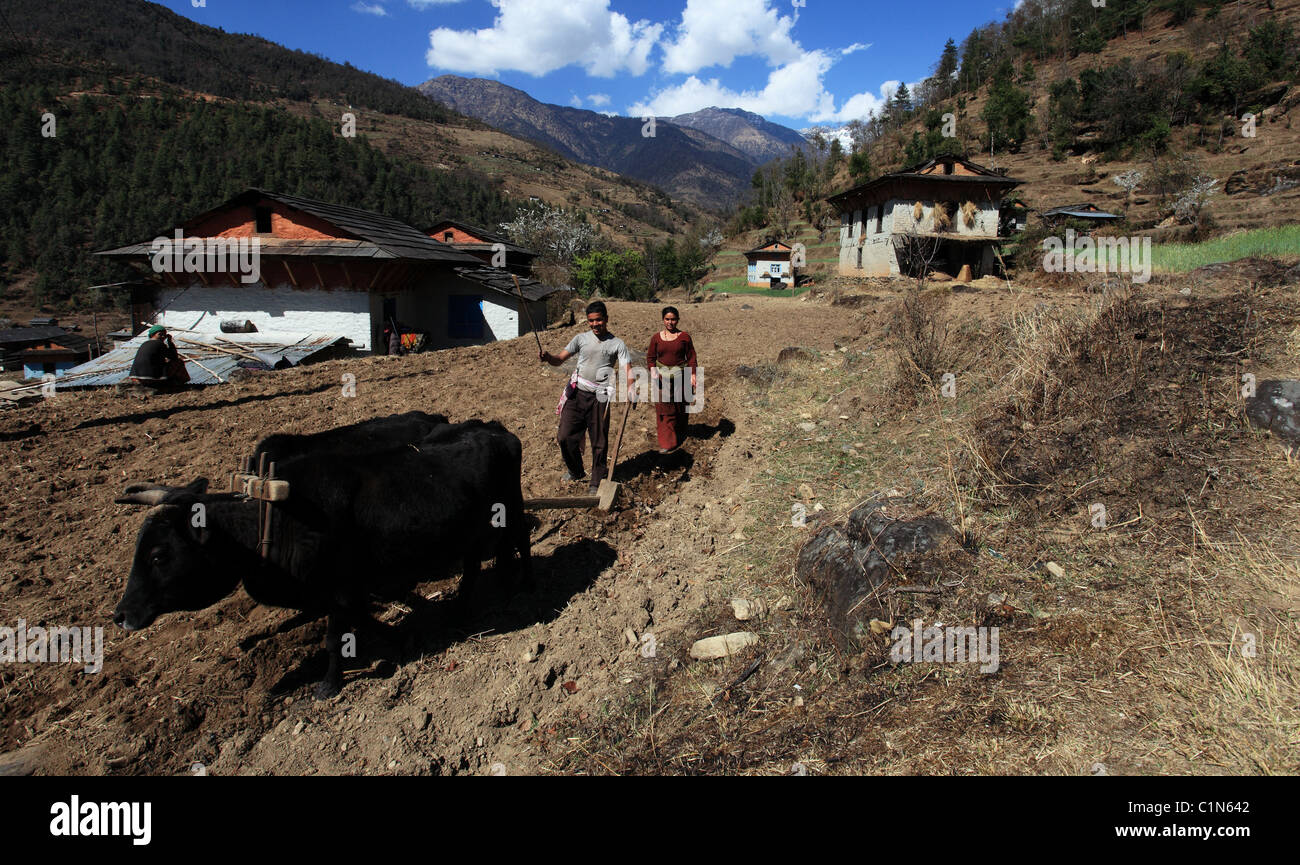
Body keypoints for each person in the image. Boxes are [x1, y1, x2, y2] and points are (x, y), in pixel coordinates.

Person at [540, 301, 634, 494]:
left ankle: (596, 481)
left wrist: (631, 389)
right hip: (576, 393)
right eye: (591, 321)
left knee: (599, 442)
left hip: (600, 397)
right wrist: (548, 357)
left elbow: (627, 369)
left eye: (598, 320)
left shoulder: (617, 344)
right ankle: (575, 471)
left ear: (606, 319)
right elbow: (559, 359)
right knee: (564, 437)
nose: (595, 324)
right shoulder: (580, 339)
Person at [647, 307, 697, 454]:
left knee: (681, 407)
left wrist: (693, 374)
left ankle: (680, 433)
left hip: (681, 377)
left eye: (673, 319)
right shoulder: (656, 338)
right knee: (664, 410)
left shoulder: (684, 337)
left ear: (678, 320)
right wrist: (653, 370)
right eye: (667, 319)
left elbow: (692, 358)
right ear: (663, 320)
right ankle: (667, 442)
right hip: (662, 380)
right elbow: (650, 358)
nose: (670, 322)